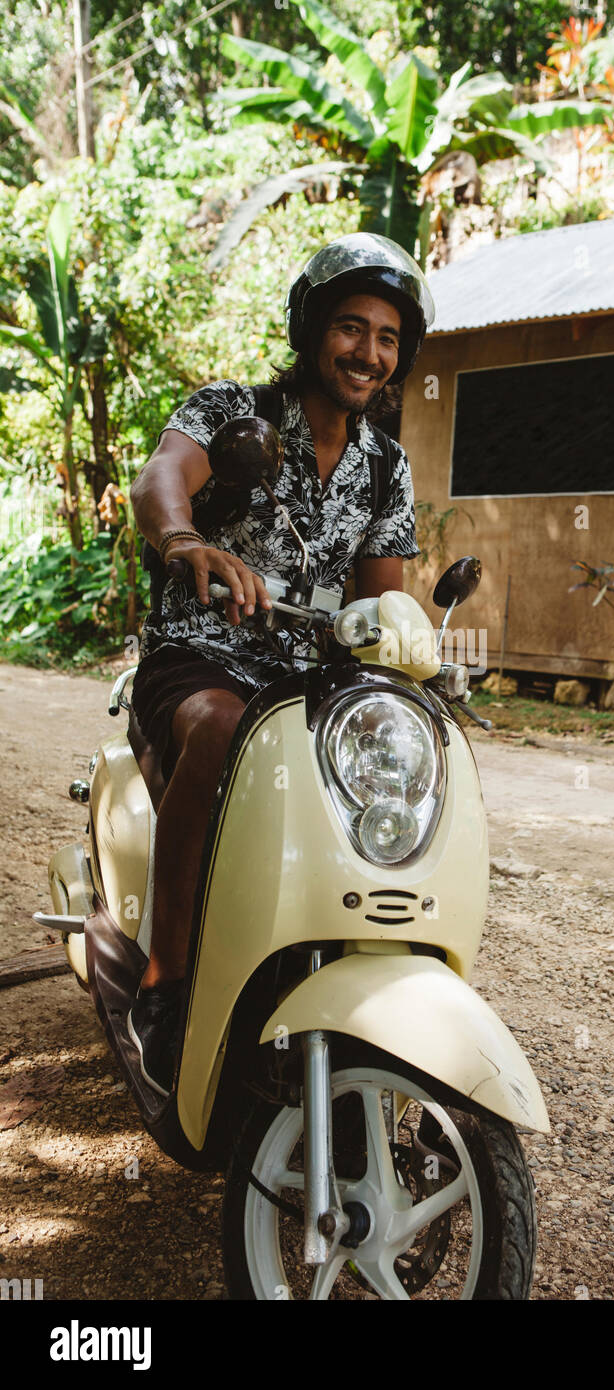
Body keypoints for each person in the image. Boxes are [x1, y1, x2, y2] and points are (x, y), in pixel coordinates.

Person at [126, 232, 435, 1095]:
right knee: (223, 730)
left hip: (307, 684)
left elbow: (376, 602)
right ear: (309, 328)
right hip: (201, 661)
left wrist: (403, 648)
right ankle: (168, 984)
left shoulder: (384, 467)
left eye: (387, 338)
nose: (368, 352)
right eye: (350, 327)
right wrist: (186, 540)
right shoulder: (234, 410)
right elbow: (162, 479)